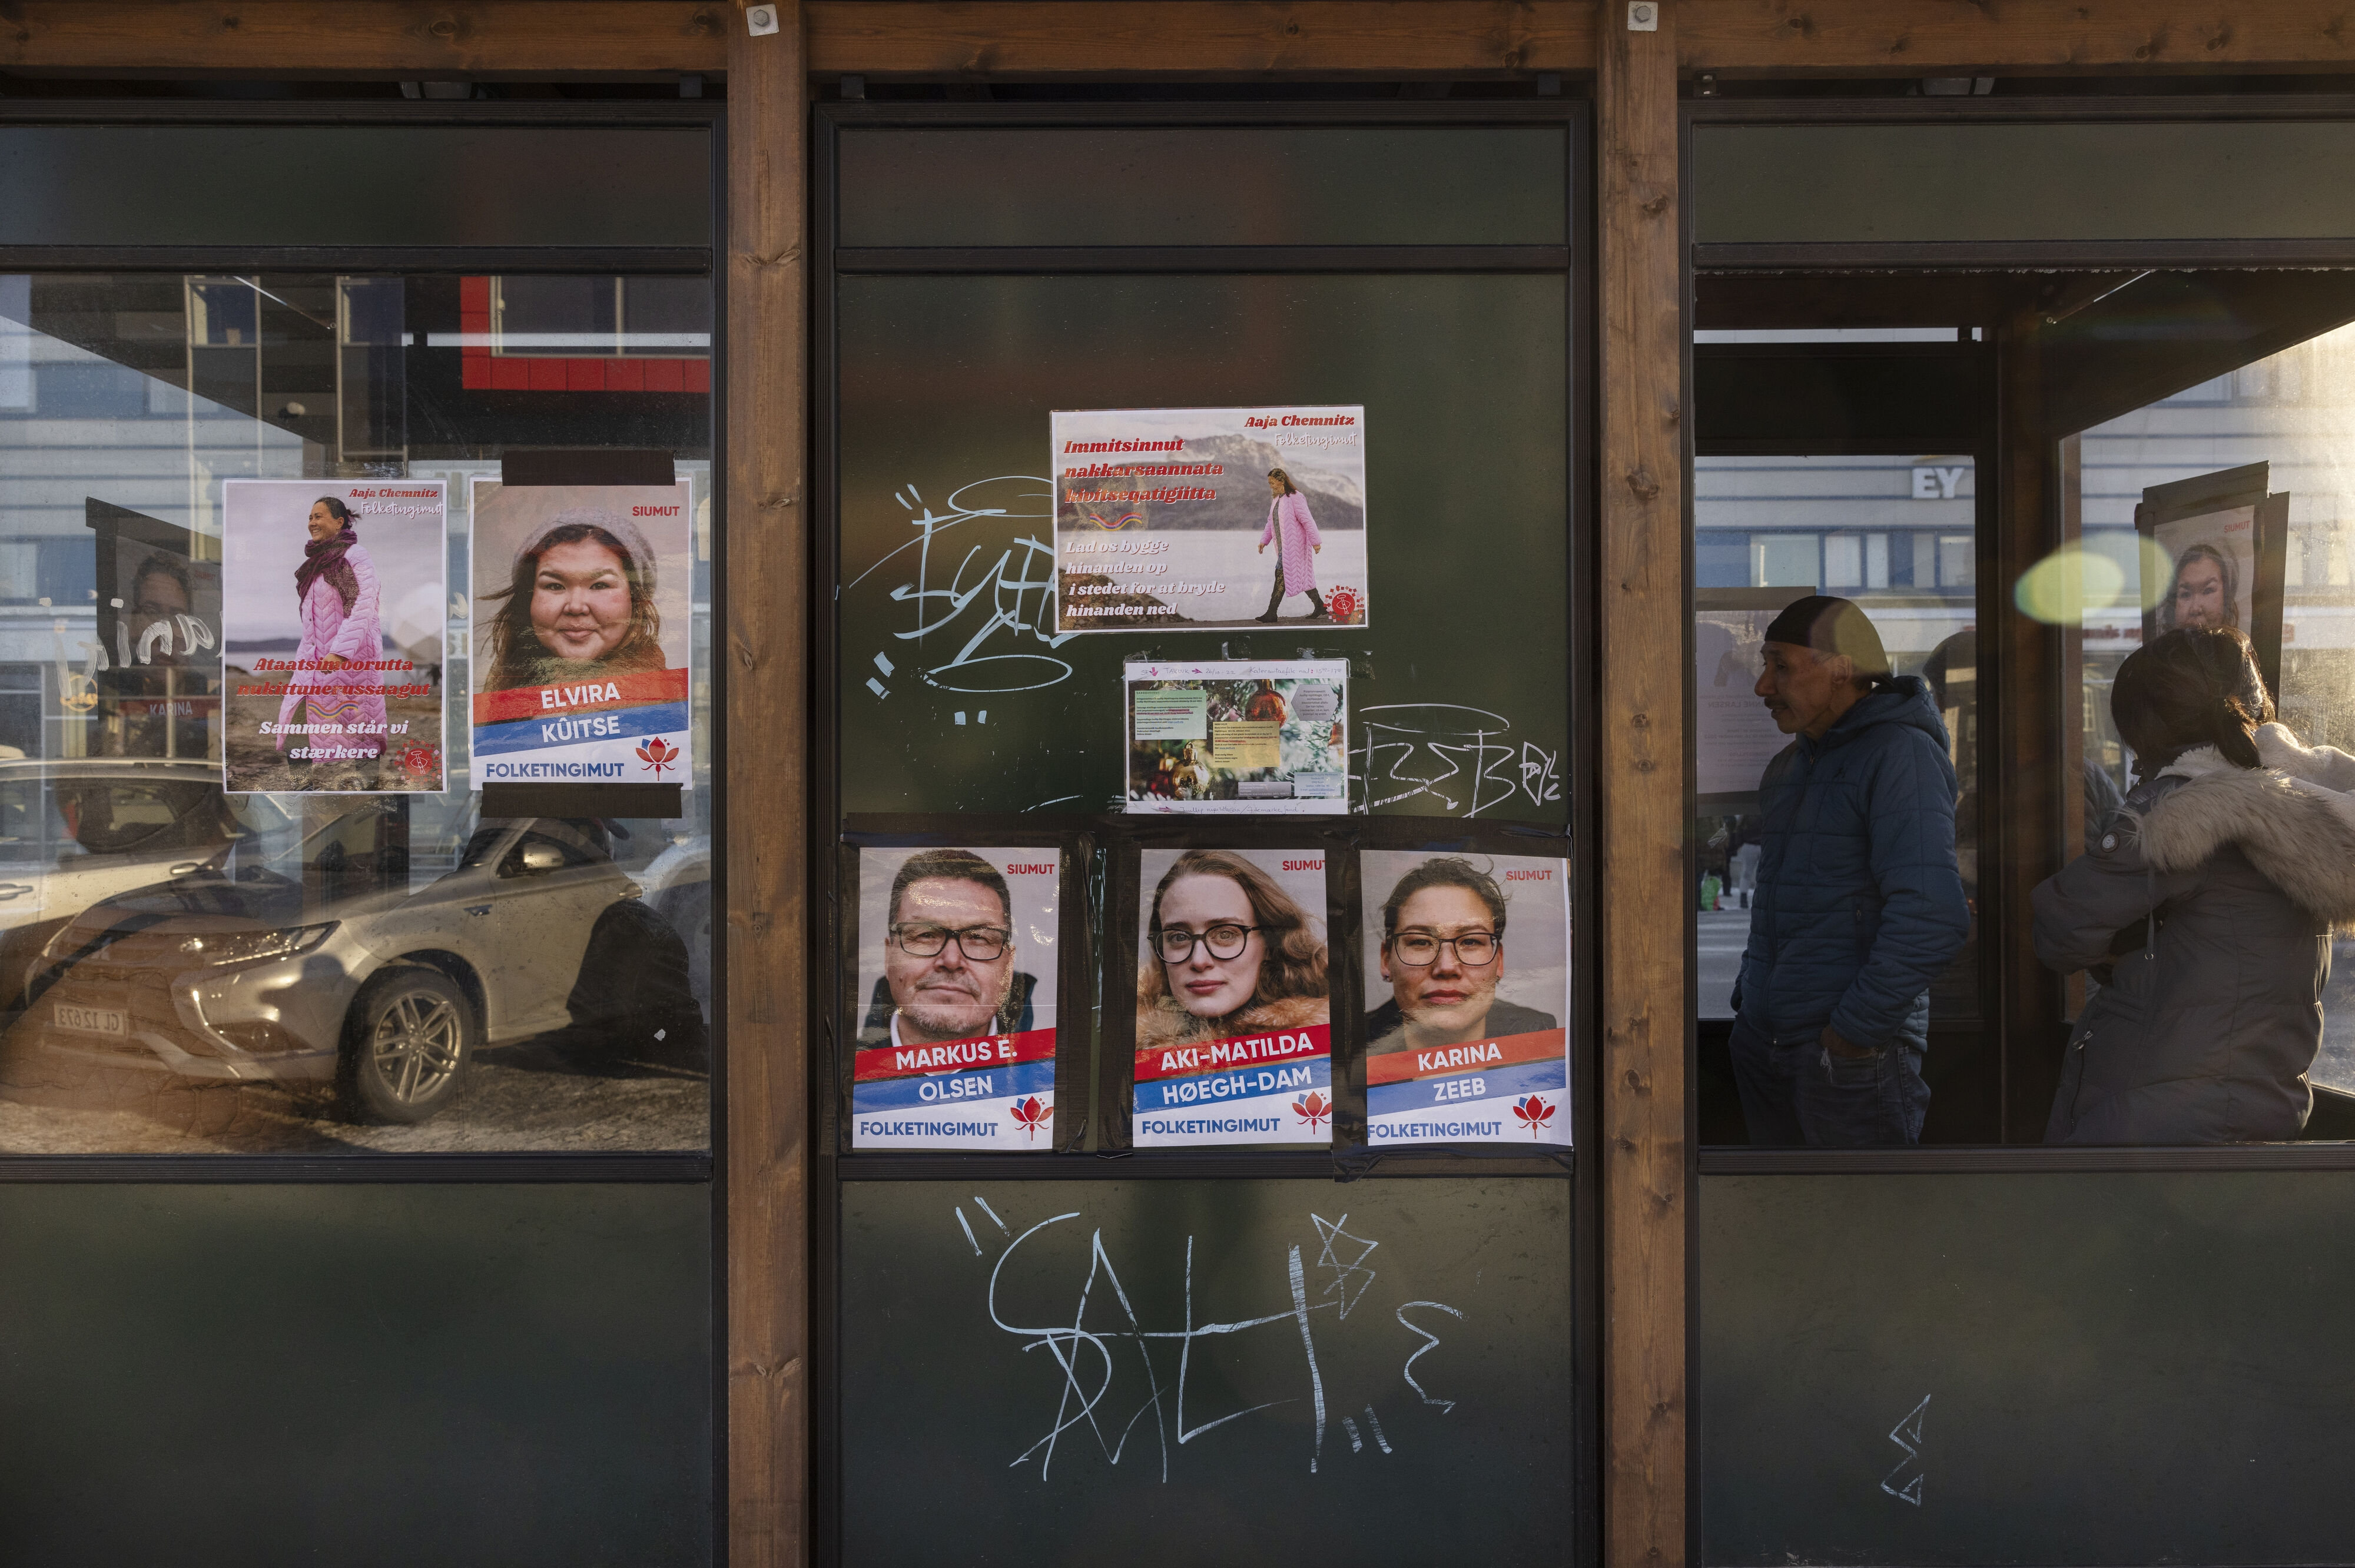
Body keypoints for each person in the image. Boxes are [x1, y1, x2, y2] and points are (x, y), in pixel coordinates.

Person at [2035, 627, 2355, 1144]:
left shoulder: (2176, 810)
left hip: (2157, 1112)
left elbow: (2059, 930)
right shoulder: (2309, 802)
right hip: (2269, 1101)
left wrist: (2121, 947)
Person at [1732, 594, 1971, 1147]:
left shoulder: (1900, 754)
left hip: (1850, 1058)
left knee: (1862, 1227)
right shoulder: (1790, 766)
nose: (1763, 687)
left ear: (1841, 669)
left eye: (1781, 666)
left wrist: (1853, 1032)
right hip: (1770, 1044)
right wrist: (1751, 1006)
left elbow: (1933, 915)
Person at [1136, 849, 1328, 1052]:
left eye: (1225, 935)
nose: (1199, 961)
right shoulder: (1134, 1050)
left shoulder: (1320, 1047)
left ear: (1270, 942)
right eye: (1179, 937)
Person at [1366, 857, 1557, 1055]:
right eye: (1421, 942)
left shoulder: (1538, 1033)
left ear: (1498, 961)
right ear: (1386, 960)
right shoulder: (1349, 1049)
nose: (1447, 967)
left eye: (1470, 942)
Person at [481, 509, 670, 692]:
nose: (576, 607)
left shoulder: (661, 713)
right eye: (555, 586)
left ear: (635, 599)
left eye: (600, 585)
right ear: (529, 599)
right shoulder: (498, 698)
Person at [857, 849, 1029, 1051]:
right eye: (926, 935)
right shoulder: (839, 1073)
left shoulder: (1047, 1077)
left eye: (978, 938)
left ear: (1008, 968)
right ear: (888, 957)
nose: (951, 961)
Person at [275, 496, 387, 781]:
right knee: (297, 728)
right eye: (310, 517)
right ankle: (301, 790)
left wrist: (340, 652)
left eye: (319, 516)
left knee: (360, 731)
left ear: (339, 522)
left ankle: (368, 794)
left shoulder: (353, 556)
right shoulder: (317, 565)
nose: (312, 522)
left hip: (350, 664)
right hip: (314, 664)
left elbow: (363, 604)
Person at [1252, 467, 1328, 623]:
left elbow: (1307, 520)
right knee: (1303, 577)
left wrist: (1316, 542)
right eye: (1269, 483)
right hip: (1283, 547)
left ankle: (1271, 614)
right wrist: (1263, 541)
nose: (1271, 486)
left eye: (1272, 482)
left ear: (1281, 481)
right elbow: (1270, 523)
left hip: (1295, 547)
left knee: (1280, 574)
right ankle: (1320, 606)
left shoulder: (1296, 497)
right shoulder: (1277, 500)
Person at [2160, 541, 2238, 633]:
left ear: (2225, 598)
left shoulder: (2239, 646)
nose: (2195, 609)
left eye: (2208, 591)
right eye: (2185, 594)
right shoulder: (2159, 647)